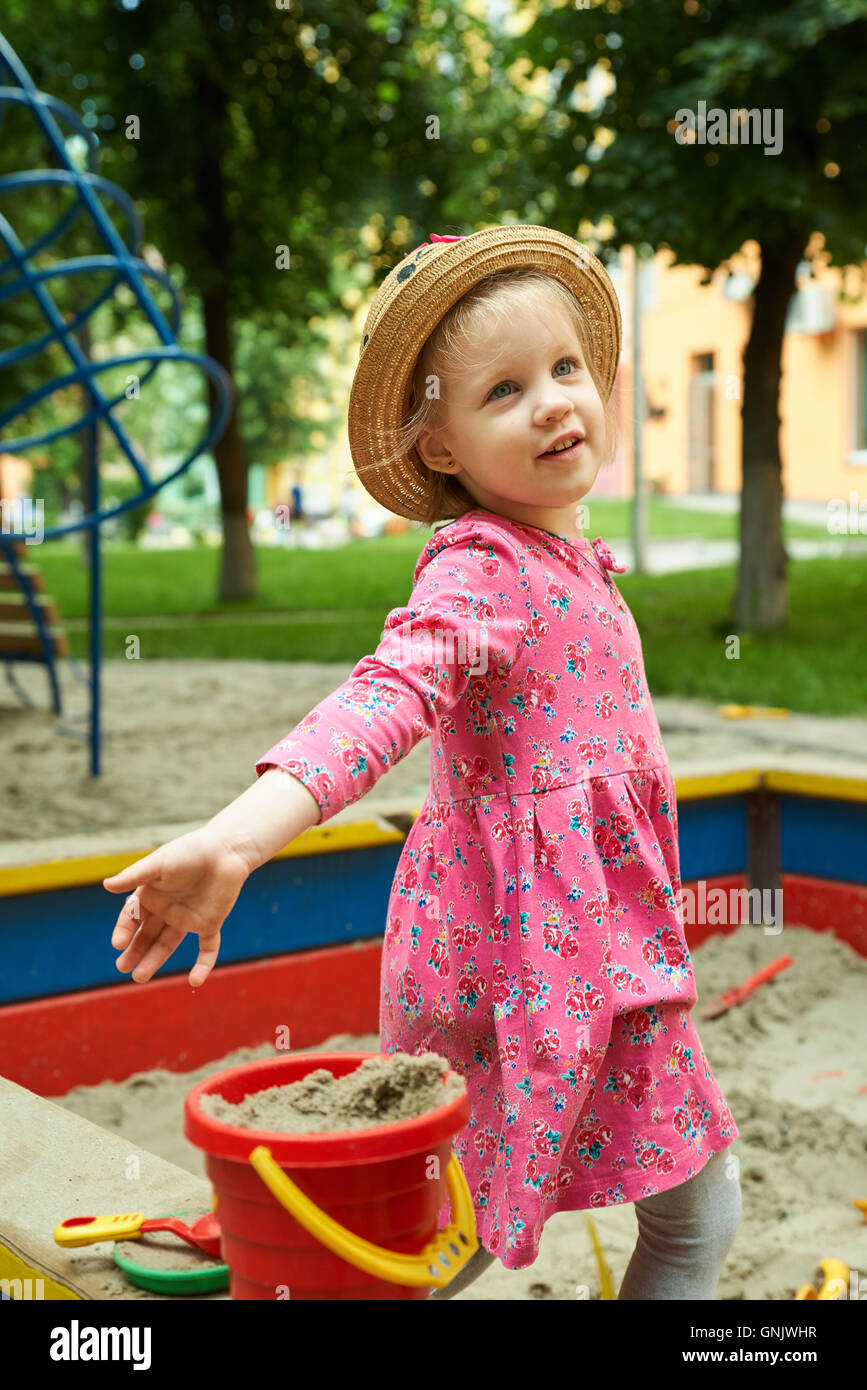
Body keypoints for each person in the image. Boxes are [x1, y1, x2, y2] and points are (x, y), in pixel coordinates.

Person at [103, 226, 741, 1299]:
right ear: (440, 448)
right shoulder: (485, 570)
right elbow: (386, 697)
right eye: (503, 390)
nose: (550, 402)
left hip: (557, 947)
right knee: (674, 1211)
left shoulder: (564, 557)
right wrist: (238, 835)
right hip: (546, 964)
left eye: (565, 369)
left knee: (463, 1215)